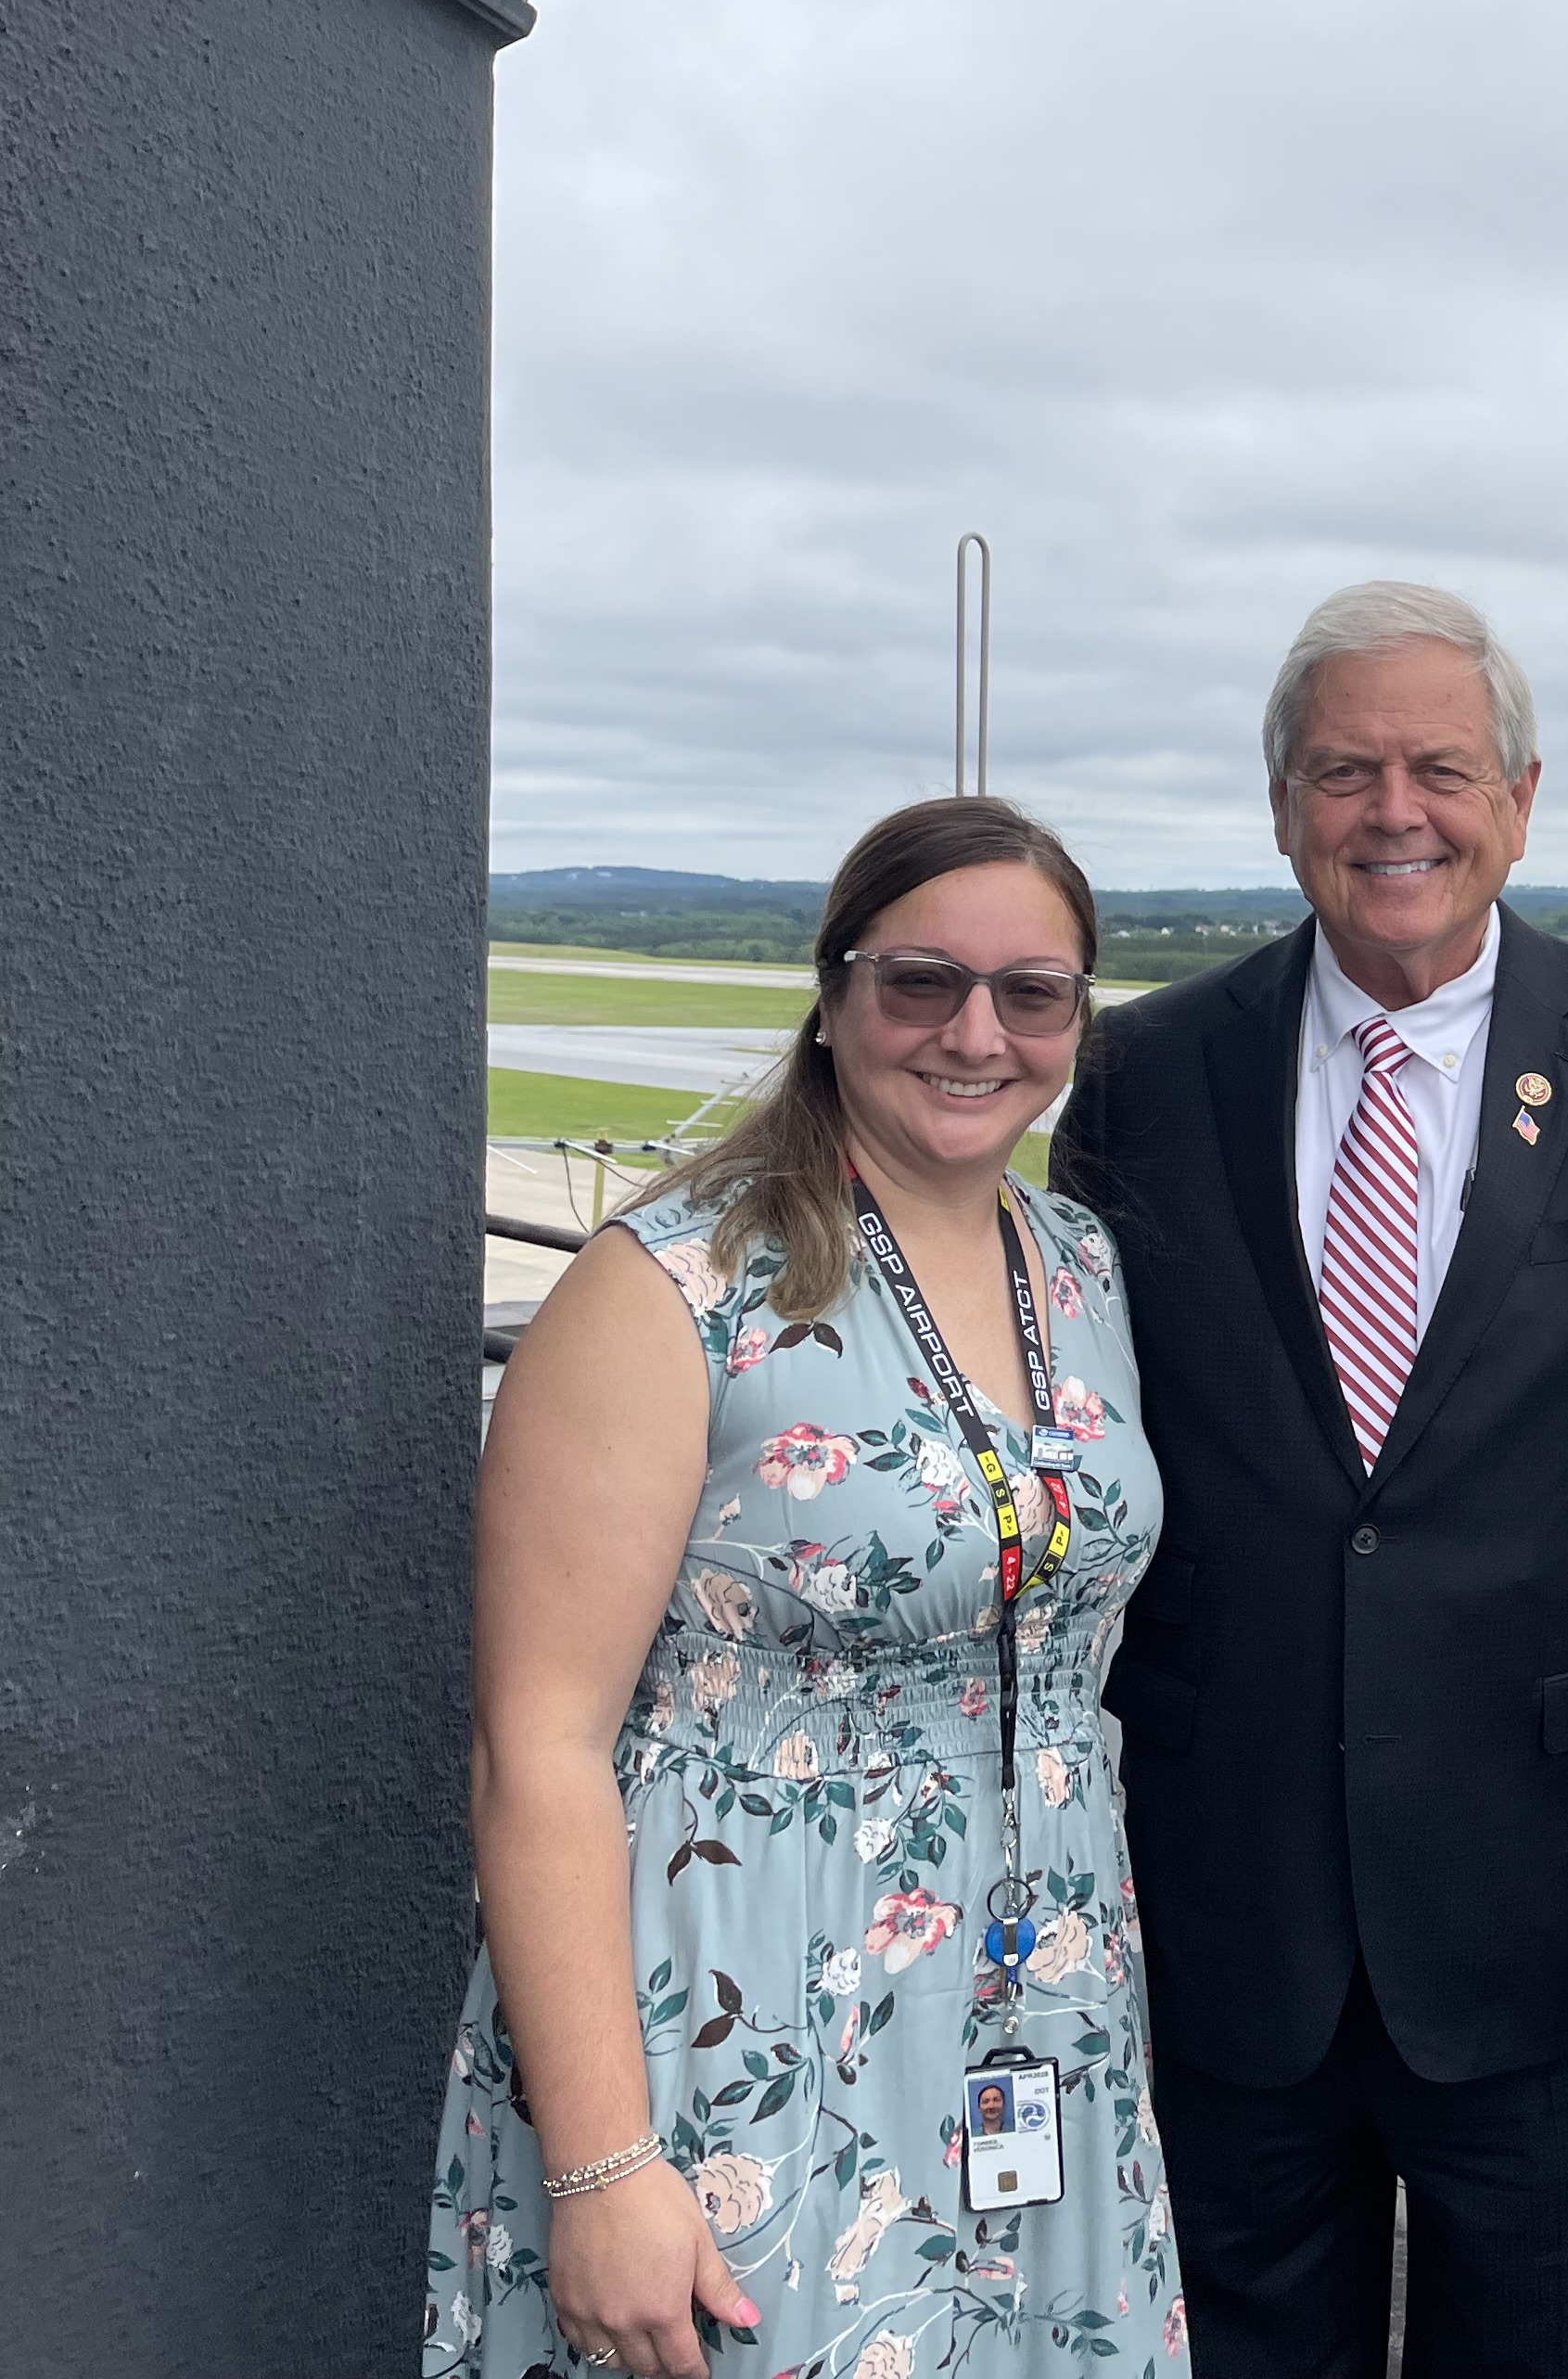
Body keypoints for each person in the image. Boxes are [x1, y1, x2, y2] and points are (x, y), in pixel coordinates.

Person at [1054, 581, 1568, 2378]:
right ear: (1281, 806)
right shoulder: (1145, 1071)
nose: (1395, 811)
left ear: (1522, 799)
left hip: (1551, 1923)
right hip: (1226, 1905)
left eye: (1440, 769)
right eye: (1344, 771)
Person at [426, 800, 1180, 2379]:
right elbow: (535, 1744)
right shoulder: (673, 1288)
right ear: (833, 999)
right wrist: (601, 2165)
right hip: (745, 2016)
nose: (976, 1032)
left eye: (1031, 993)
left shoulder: (1082, 1263)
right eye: (921, 982)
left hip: (1041, 2010)